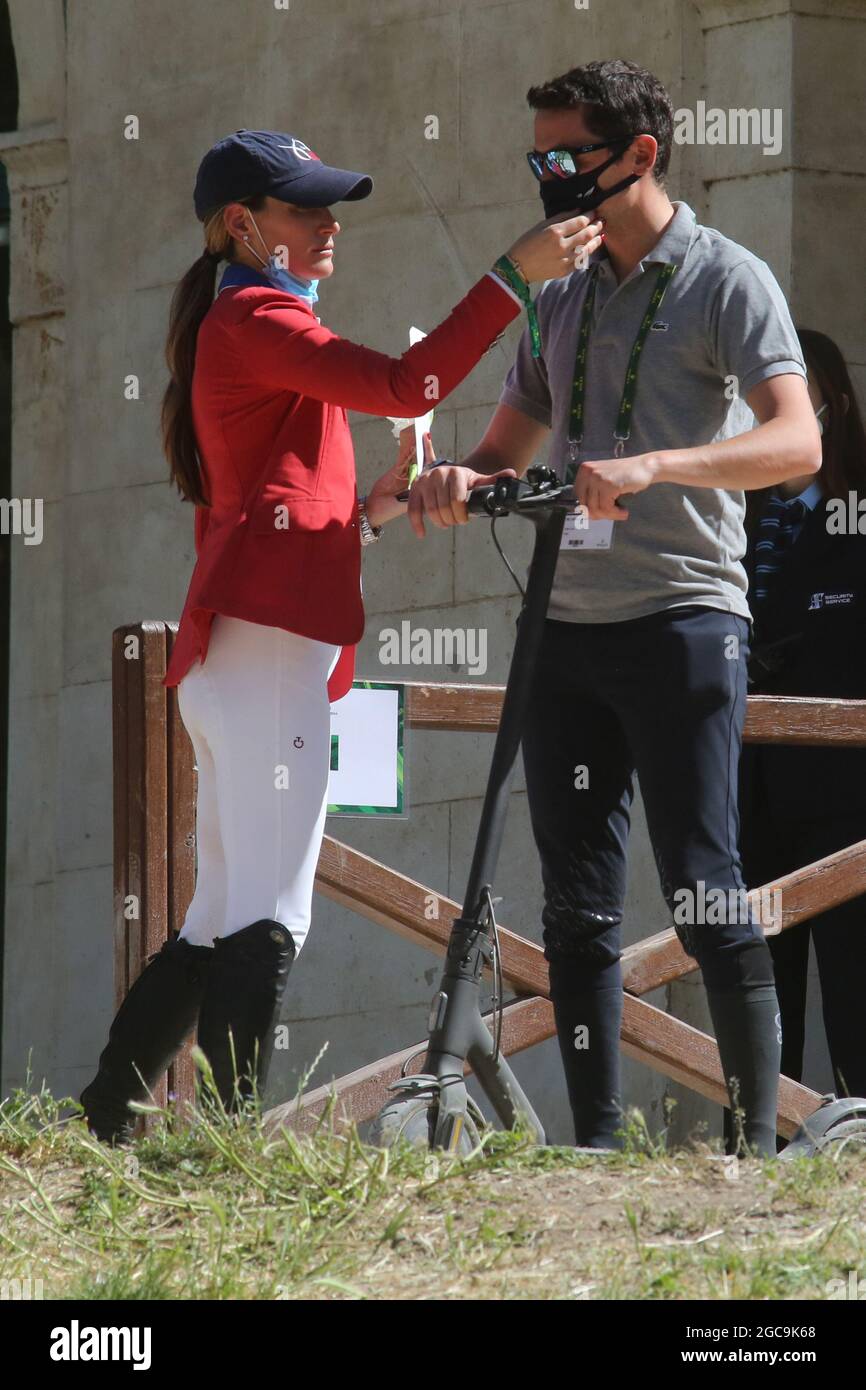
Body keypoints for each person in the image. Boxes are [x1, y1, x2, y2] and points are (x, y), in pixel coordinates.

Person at [79, 129, 600, 1146]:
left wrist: (370, 513)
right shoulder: (256, 312)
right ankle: (229, 1152)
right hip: (265, 661)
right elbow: (409, 387)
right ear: (243, 226)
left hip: (244, 658)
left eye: (331, 206)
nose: (330, 225)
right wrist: (511, 276)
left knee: (218, 917)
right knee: (273, 915)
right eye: (304, 208)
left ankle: (105, 1119)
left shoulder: (240, 316)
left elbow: (278, 507)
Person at [407, 60, 822, 1158]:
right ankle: (588, 1154)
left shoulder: (726, 278)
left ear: (637, 155)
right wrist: (459, 483)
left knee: (705, 886)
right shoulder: (555, 293)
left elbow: (797, 441)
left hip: (683, 619)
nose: (546, 180)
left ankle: (754, 1151)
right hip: (562, 629)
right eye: (534, 159)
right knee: (574, 911)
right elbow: (506, 453)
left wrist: (658, 466)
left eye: (563, 159)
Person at [732, 328, 866, 1150]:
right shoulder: (723, 526)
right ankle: (754, 1151)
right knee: (751, 987)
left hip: (849, 807)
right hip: (745, 799)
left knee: (856, 992)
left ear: (831, 405)